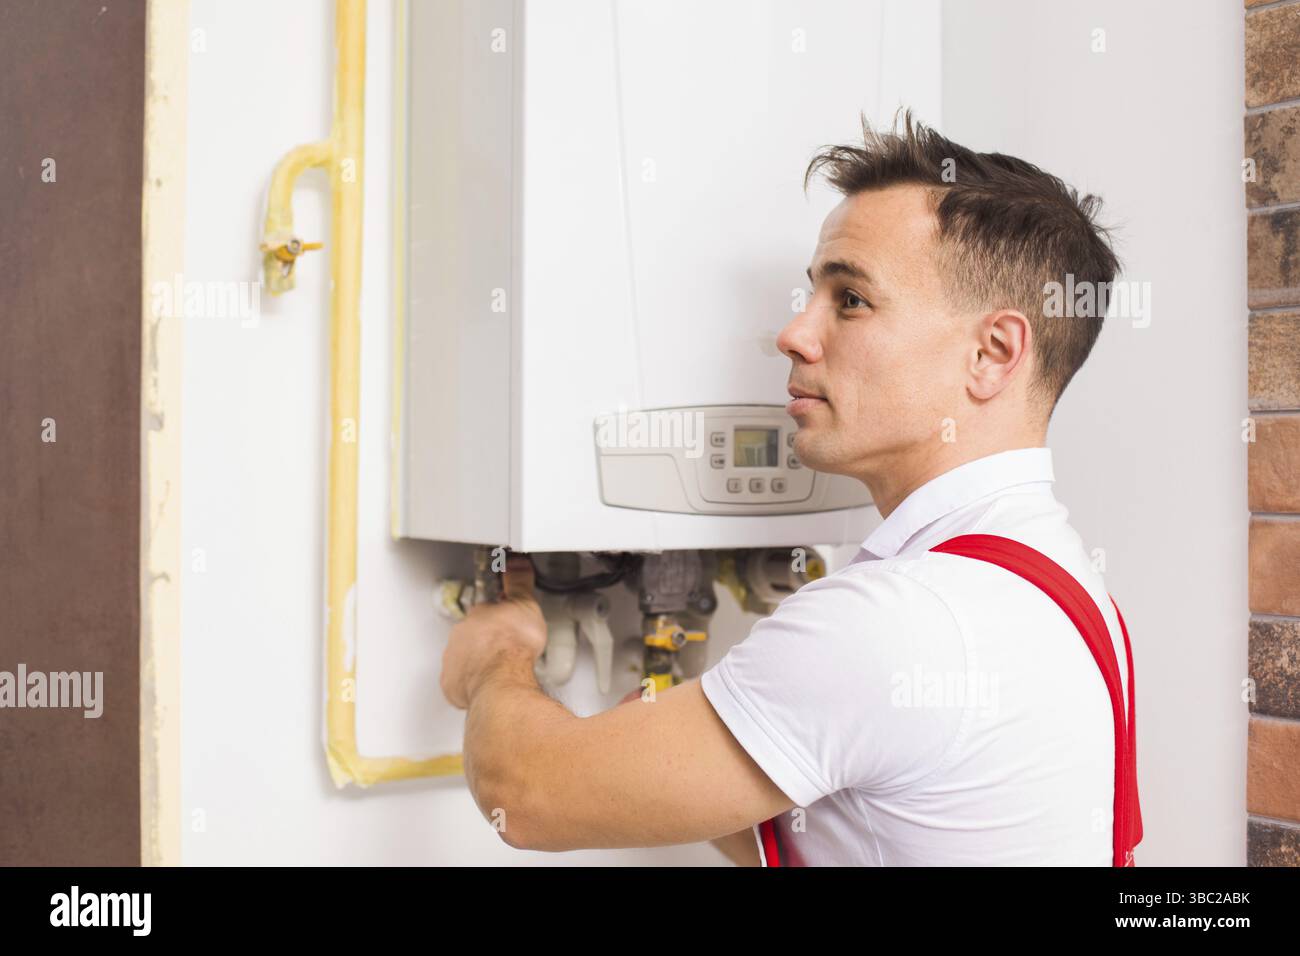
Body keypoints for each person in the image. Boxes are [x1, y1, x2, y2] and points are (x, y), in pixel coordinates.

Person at [440, 111, 1136, 865]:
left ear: (993, 354)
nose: (794, 334)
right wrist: (688, 752)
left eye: (851, 300)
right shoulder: (1061, 585)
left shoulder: (898, 621)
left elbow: (529, 794)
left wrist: (496, 656)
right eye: (812, 295)